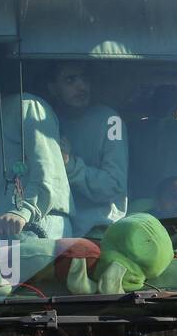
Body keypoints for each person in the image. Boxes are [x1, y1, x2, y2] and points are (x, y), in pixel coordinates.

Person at [0, 61, 72, 239]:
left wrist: (23, 211)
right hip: (13, 234)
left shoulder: (26, 105)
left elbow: (49, 170)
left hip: (38, 228)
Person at [45, 62, 127, 238]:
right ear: (53, 88)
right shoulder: (47, 123)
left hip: (102, 234)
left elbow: (114, 185)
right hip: (55, 234)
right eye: (70, 80)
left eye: (84, 78)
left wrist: (70, 165)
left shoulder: (112, 121)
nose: (81, 86)